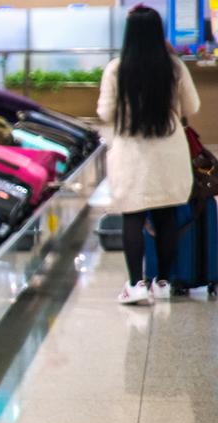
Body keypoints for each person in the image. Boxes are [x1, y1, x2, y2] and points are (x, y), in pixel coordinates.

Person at [97, 5, 200, 305]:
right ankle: (163, 283)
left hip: (132, 153)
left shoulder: (117, 69)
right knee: (167, 215)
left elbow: (105, 112)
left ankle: (135, 285)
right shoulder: (174, 67)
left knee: (133, 216)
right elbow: (191, 107)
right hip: (169, 152)